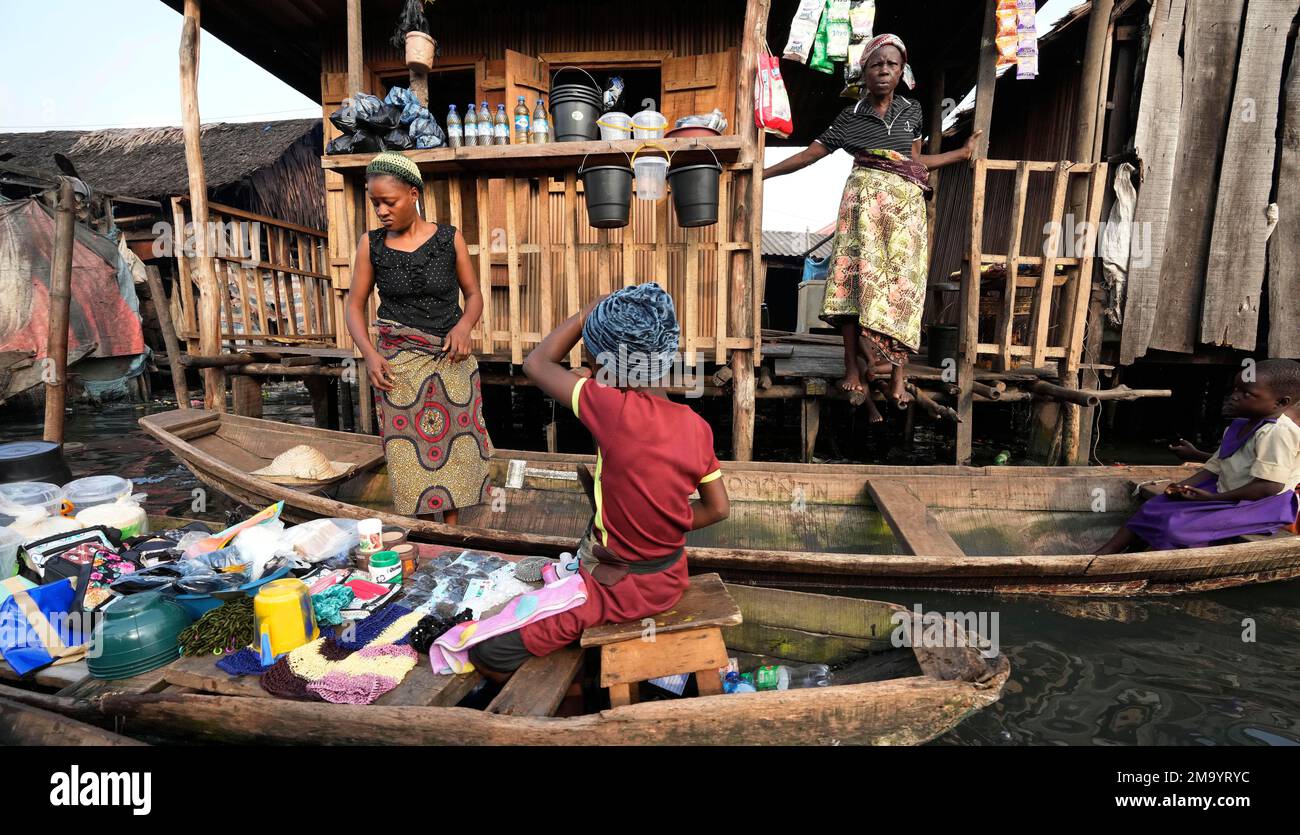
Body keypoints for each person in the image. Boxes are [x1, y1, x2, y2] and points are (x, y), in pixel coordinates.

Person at [466, 283, 731, 681]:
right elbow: (718, 508)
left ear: (603, 362)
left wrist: (585, 314)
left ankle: (579, 686)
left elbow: (537, 365)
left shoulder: (610, 407)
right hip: (670, 576)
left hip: (624, 591)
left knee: (489, 652)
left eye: (588, 354)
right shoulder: (697, 426)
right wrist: (666, 521)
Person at [763, 34, 981, 420]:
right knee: (850, 284)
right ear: (863, 71)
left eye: (892, 65)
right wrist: (762, 174)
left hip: (903, 215)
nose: (884, 70)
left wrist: (961, 154)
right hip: (862, 211)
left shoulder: (911, 111)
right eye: (876, 64)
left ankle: (899, 373)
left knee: (903, 289)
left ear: (901, 71)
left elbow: (916, 163)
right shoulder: (849, 118)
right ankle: (852, 368)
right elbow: (810, 154)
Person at [344, 151, 492, 525]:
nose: (381, 211)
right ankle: (424, 531)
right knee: (409, 451)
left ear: (413, 193)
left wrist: (464, 327)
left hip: (450, 358)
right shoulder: (372, 245)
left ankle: (453, 529)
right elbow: (355, 306)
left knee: (457, 446)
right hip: (399, 364)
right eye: (375, 203)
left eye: (388, 201)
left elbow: (474, 295)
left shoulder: (448, 239)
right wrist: (369, 355)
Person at [1096, 359, 1300, 554]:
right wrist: (1179, 486)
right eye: (1235, 389)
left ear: (1281, 402)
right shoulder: (1239, 425)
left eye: (1247, 394)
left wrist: (1213, 497)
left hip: (1263, 505)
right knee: (1156, 505)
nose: (1235, 396)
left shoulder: (1279, 433)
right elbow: (1214, 467)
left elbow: (1268, 487)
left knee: (1176, 527)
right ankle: (1107, 552)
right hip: (1230, 492)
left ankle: (1148, 564)